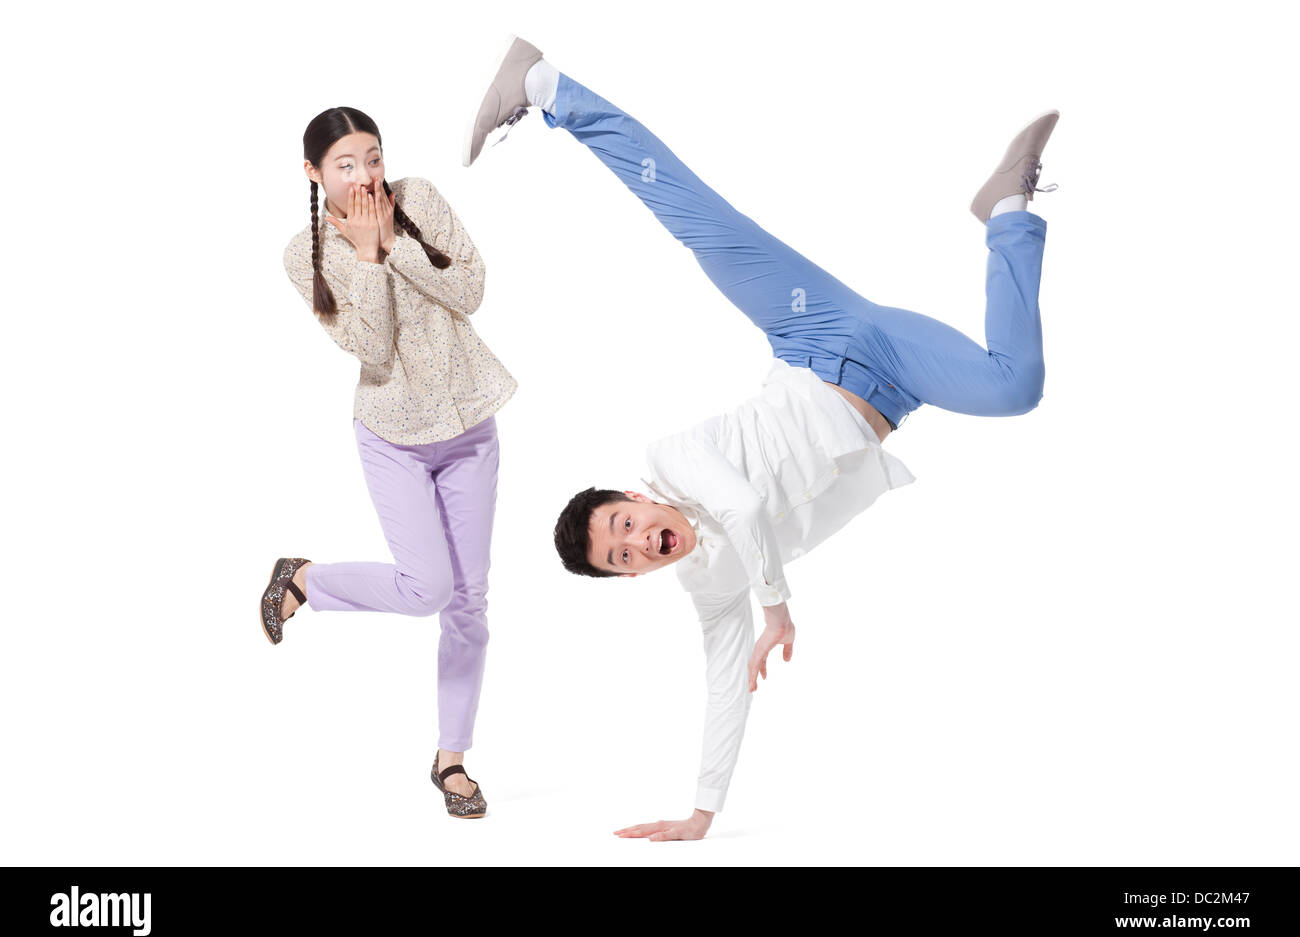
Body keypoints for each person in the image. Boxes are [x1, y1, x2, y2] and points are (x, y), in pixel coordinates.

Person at [467, 37, 1058, 840]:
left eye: (625, 524)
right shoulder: (708, 588)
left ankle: (544, 84)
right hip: (893, 384)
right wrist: (701, 813)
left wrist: (776, 606)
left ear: (636, 499)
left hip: (814, 330)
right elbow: (722, 683)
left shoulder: (670, 460)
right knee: (1014, 386)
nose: (639, 542)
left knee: (698, 217)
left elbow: (743, 506)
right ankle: (1007, 214)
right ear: (634, 574)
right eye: (624, 557)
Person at [262, 105, 517, 819]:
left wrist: (396, 244)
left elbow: (470, 291)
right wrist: (369, 257)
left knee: (469, 602)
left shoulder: (422, 199)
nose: (366, 174)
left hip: (470, 425)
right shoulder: (305, 253)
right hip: (393, 435)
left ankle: (452, 760)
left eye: (373, 157)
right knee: (426, 587)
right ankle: (306, 580)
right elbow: (371, 348)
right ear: (314, 174)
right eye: (346, 164)